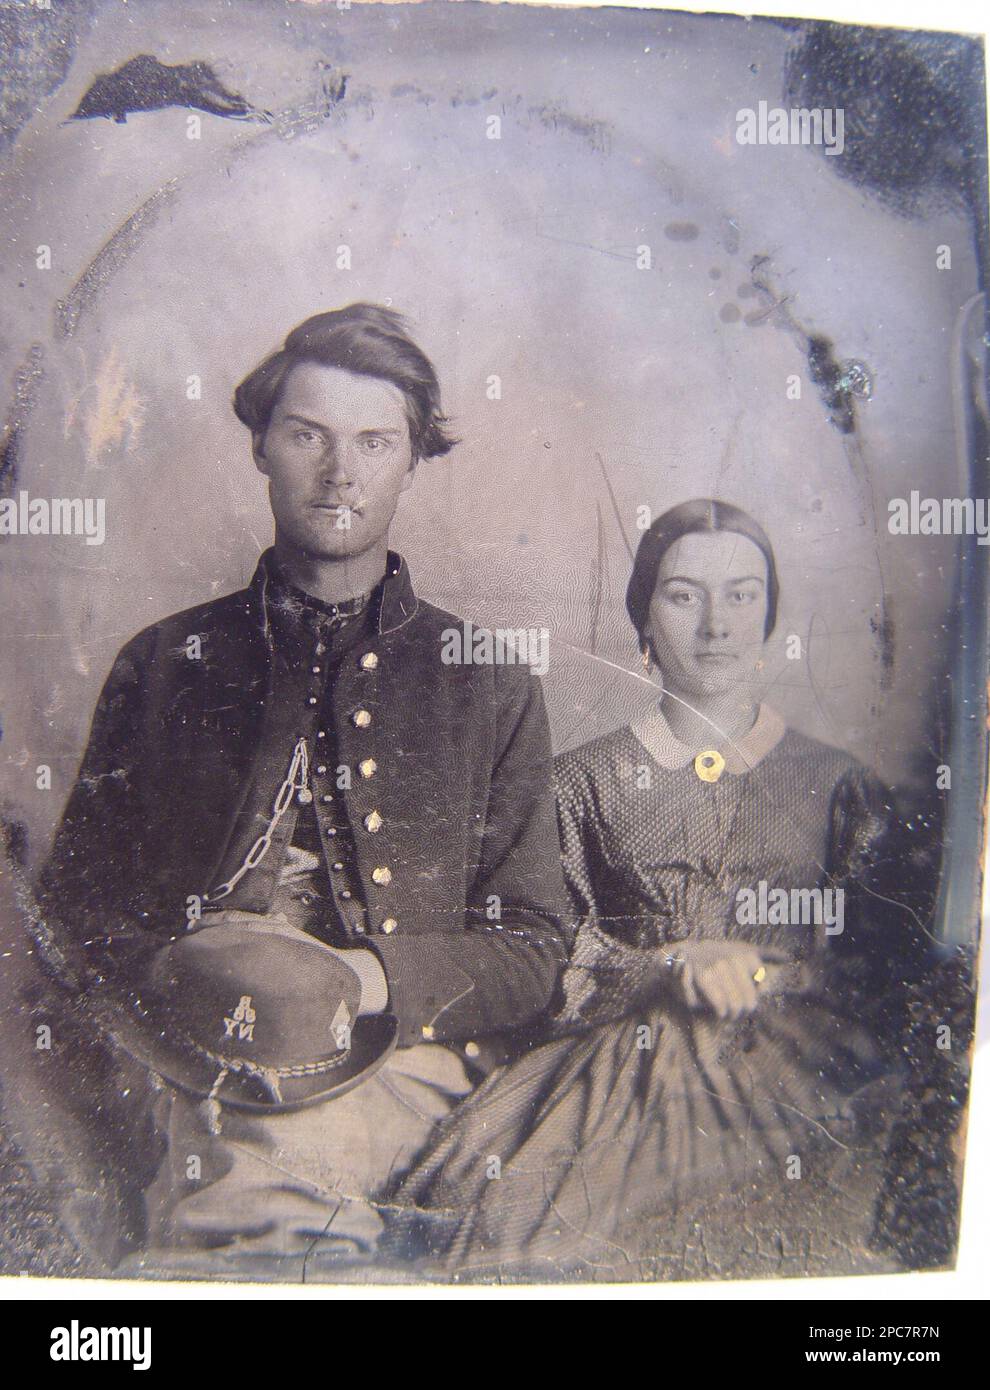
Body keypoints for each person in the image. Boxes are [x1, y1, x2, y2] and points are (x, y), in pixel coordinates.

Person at [34, 303, 568, 1276]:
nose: (340, 472)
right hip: (176, 1050)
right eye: (307, 435)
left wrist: (366, 981)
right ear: (260, 445)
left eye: (375, 441)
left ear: (414, 458)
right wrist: (184, 975)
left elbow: (534, 949)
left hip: (395, 1057)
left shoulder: (488, 682)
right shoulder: (163, 662)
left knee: (269, 1202)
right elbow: (75, 901)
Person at [394, 498, 898, 1276]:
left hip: (800, 1065)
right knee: (520, 1234)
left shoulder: (838, 785)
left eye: (742, 595)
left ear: (769, 616)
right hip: (614, 1071)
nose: (716, 625)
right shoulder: (579, 783)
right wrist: (665, 966)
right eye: (684, 595)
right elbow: (544, 953)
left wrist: (768, 974)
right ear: (645, 621)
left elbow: (882, 967)